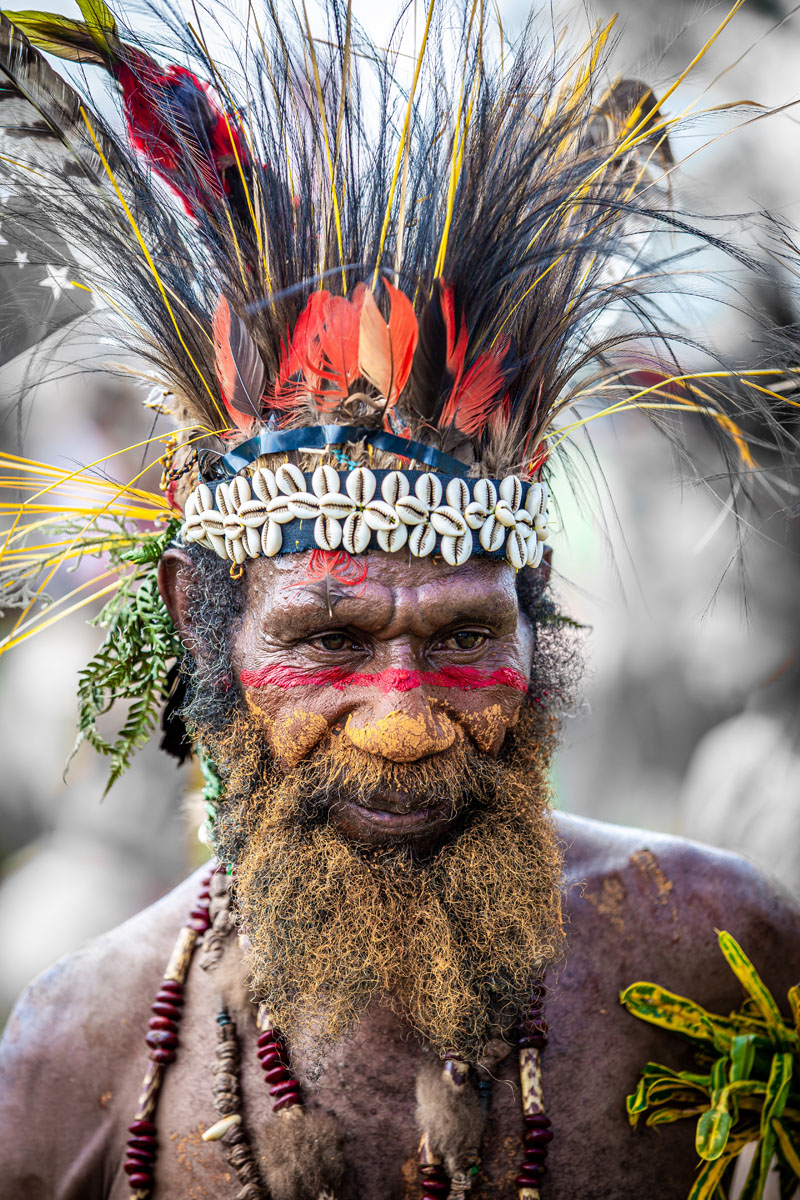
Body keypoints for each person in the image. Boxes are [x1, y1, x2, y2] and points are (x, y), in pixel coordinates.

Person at [0, 2, 797, 1198]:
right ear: (196, 618)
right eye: (326, 640)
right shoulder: (75, 1054)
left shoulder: (723, 955)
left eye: (466, 636)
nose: (404, 722)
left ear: (538, 627)